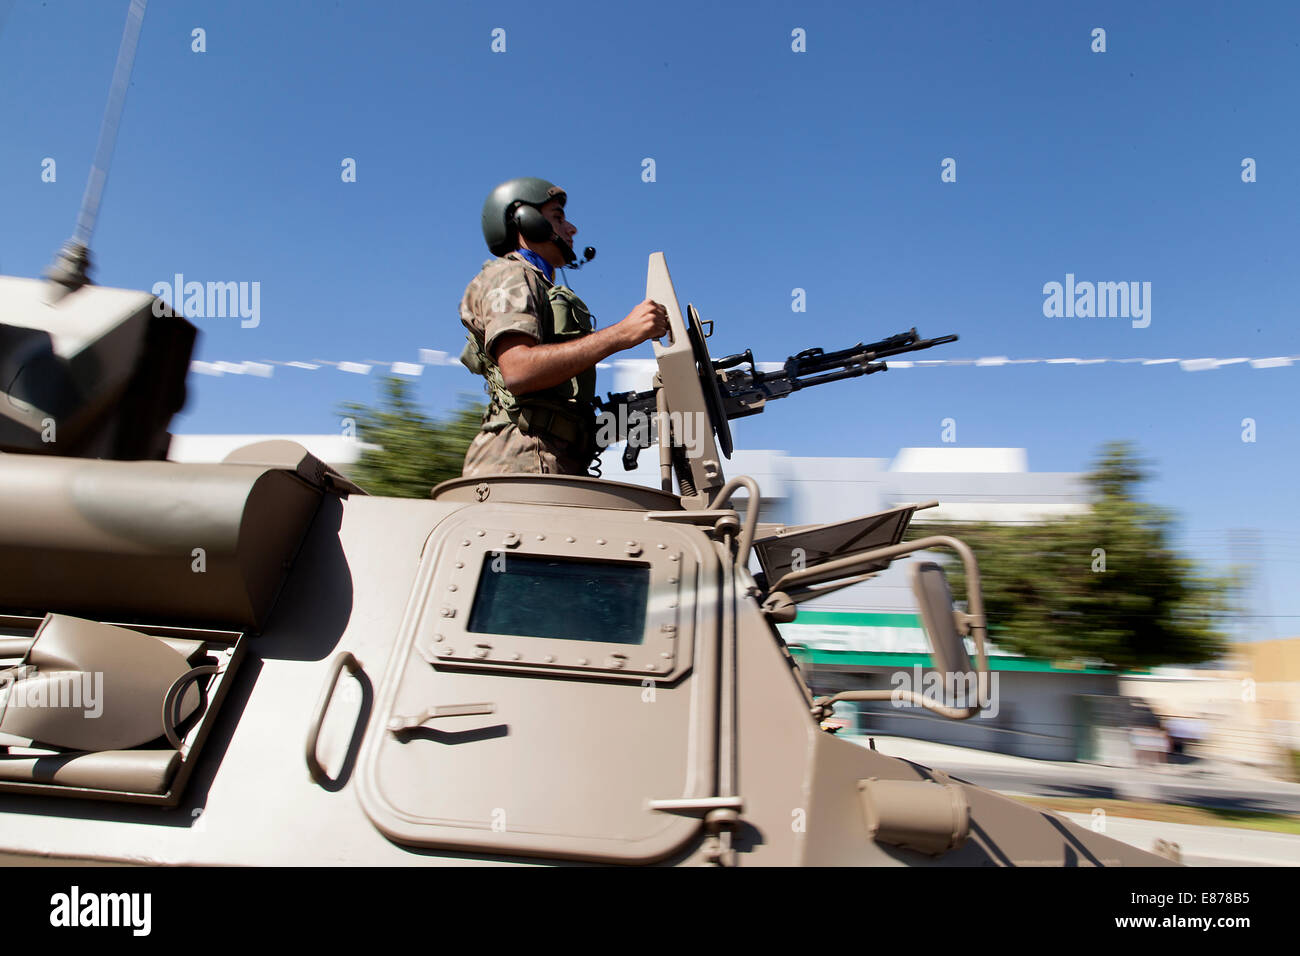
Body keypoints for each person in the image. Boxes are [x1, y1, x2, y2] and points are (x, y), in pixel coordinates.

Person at [459, 177, 668, 477]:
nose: (571, 229)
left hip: (548, 456)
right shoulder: (512, 274)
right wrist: (622, 334)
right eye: (557, 218)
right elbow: (519, 371)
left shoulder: (538, 284)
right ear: (525, 221)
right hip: (524, 459)